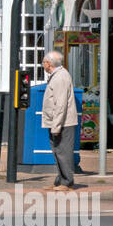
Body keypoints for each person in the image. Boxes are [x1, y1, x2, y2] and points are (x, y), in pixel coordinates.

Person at [41, 51, 79, 192]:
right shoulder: (56, 76)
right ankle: (59, 181)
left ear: (48, 64)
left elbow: (61, 104)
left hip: (63, 123)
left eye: (44, 62)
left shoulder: (60, 77)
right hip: (57, 121)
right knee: (58, 152)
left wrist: (56, 126)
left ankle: (67, 182)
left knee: (63, 152)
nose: (43, 65)